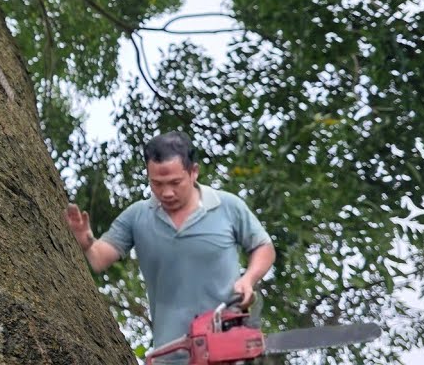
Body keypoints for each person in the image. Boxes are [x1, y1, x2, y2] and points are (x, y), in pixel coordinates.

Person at [64, 131, 276, 349]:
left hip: (227, 344)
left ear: (193, 172)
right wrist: (86, 244)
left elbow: (264, 247)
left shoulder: (228, 206)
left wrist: (248, 279)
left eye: (175, 183)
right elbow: (99, 259)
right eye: (157, 183)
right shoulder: (137, 216)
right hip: (170, 350)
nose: (166, 193)